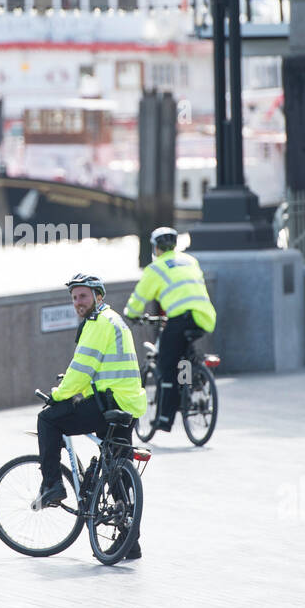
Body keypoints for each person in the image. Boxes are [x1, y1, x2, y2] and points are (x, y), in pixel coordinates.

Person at [37, 274, 147, 558]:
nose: (77, 303)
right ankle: (129, 542)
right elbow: (98, 368)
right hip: (129, 404)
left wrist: (58, 394)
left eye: (83, 296)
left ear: (99, 296)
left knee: (49, 419)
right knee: (117, 468)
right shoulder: (115, 319)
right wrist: (76, 389)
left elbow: (83, 367)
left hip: (109, 402)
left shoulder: (97, 323)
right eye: (74, 298)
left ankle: (52, 485)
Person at [123, 227, 217, 432]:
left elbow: (139, 299)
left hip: (181, 318)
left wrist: (131, 313)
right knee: (183, 354)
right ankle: (194, 381)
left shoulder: (155, 269)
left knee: (166, 366)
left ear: (155, 248)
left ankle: (164, 419)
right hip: (204, 317)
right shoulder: (190, 261)